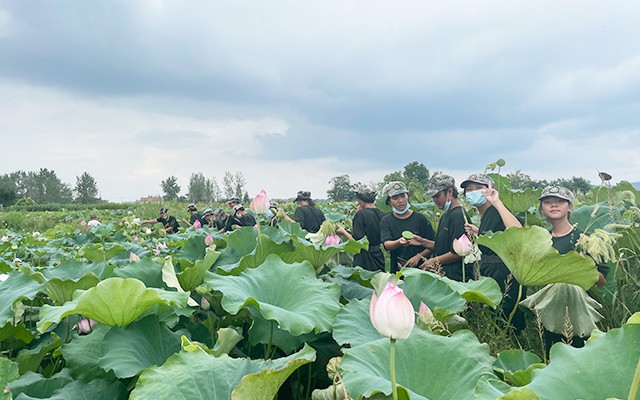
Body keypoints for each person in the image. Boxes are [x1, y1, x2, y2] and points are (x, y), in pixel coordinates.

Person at [537, 185, 609, 352]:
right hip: (551, 307)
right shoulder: (541, 241)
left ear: (570, 206)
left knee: (582, 353)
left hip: (580, 308)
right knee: (553, 353)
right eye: (548, 202)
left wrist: (580, 266)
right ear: (541, 209)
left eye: (560, 202)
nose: (553, 205)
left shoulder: (585, 239)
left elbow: (602, 280)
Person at [461, 173, 525, 332]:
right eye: (469, 189)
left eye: (478, 188)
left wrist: (497, 202)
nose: (473, 192)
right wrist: (479, 234)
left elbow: (518, 232)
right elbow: (496, 236)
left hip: (504, 270)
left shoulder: (497, 210)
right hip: (491, 270)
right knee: (496, 316)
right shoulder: (486, 215)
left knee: (505, 318)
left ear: (490, 189)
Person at [420, 175, 471, 281]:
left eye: (437, 195)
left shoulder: (458, 215)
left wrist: (433, 261)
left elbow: (458, 252)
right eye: (432, 197)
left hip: (456, 277)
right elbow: (443, 246)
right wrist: (421, 241)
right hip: (444, 275)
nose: (435, 200)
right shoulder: (445, 216)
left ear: (450, 192)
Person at [379, 181, 435, 273]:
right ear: (389, 201)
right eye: (395, 198)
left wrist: (418, 257)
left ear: (407, 197)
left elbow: (433, 245)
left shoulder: (421, 219)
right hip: (398, 269)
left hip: (422, 269)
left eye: (403, 196)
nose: (400, 201)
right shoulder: (386, 221)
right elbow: (387, 245)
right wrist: (399, 242)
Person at [336, 185, 386, 271]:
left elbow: (357, 242)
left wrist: (343, 232)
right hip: (379, 255)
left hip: (364, 257)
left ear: (360, 199)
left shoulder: (360, 215)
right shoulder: (382, 214)